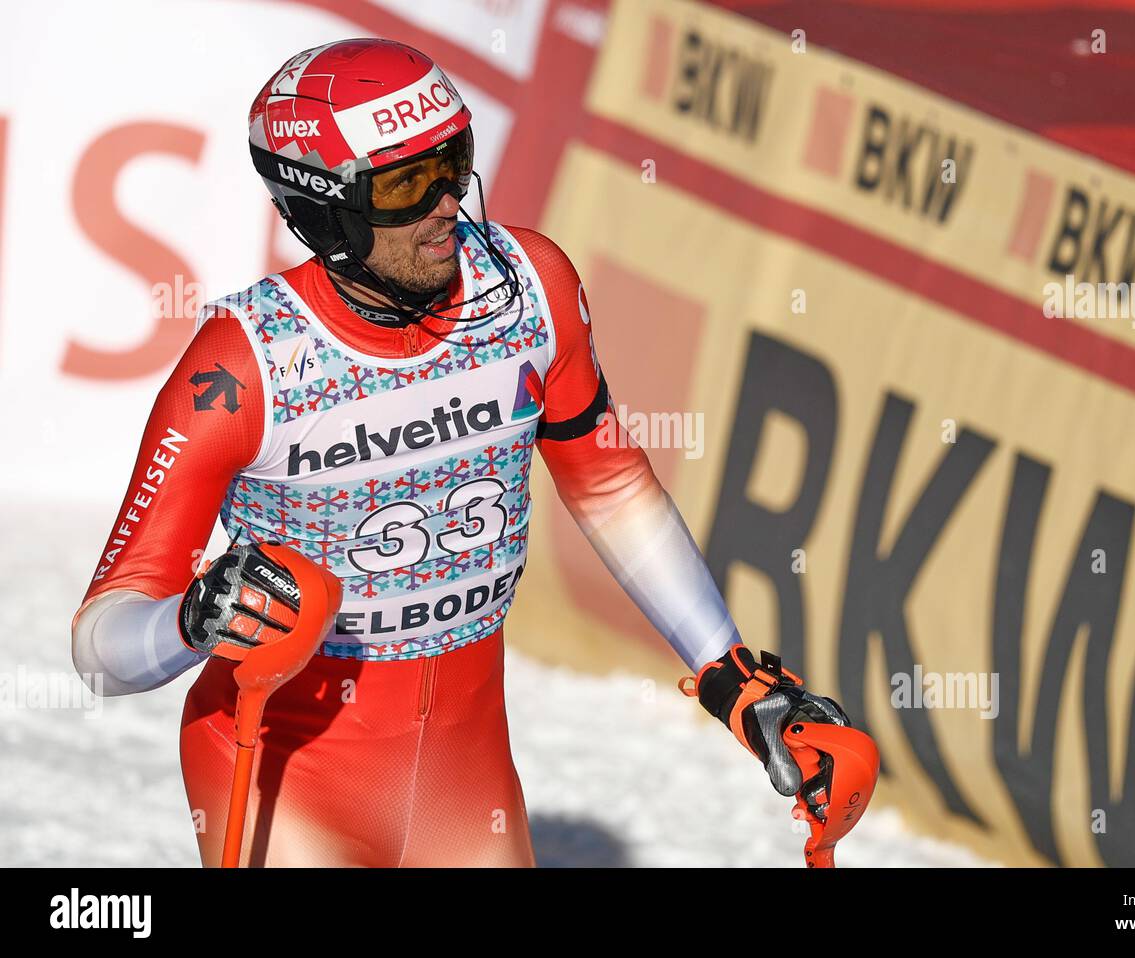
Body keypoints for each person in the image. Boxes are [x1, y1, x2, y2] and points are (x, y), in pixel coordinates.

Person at [71, 38, 851, 866]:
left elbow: (613, 488)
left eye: (456, 159)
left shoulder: (531, 286)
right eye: (408, 183)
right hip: (280, 773)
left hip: (461, 781)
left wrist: (728, 674)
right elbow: (98, 650)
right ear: (324, 208)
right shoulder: (241, 364)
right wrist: (195, 620)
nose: (450, 201)